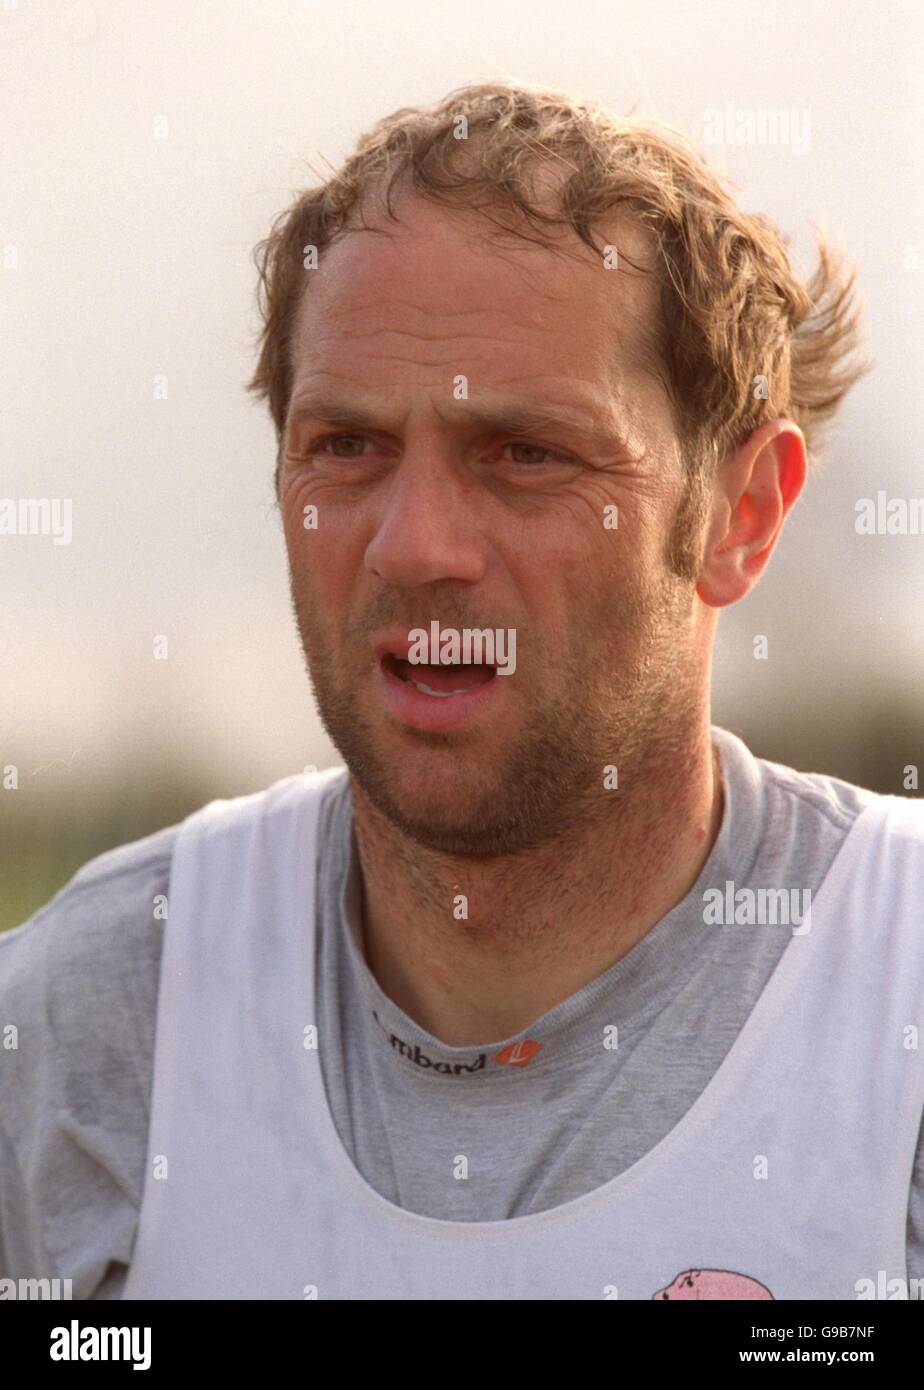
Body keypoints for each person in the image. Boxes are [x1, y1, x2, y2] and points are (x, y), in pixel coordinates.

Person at [2, 81, 922, 1302]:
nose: (413, 544)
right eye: (348, 446)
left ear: (742, 514)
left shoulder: (894, 991)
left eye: (526, 454)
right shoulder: (93, 1017)